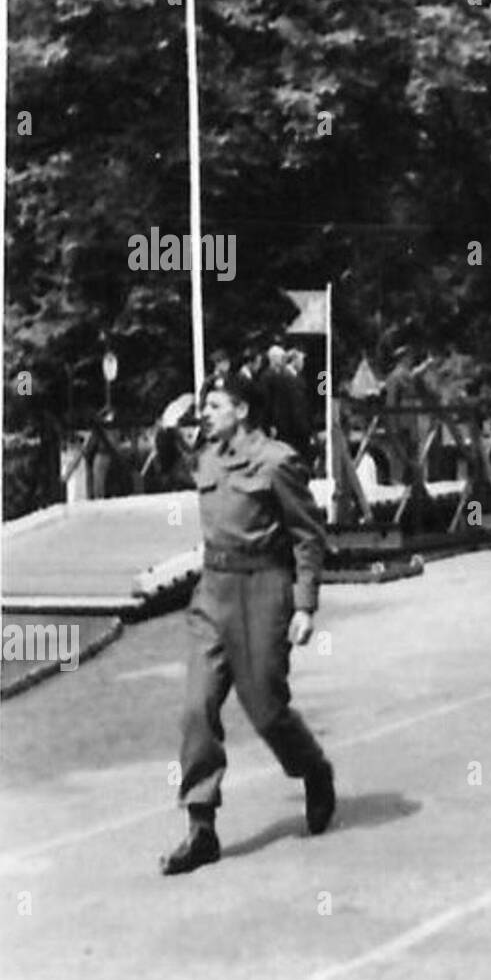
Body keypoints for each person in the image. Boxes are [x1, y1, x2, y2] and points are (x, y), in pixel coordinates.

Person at [160, 371, 336, 875]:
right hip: (212, 592)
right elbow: (169, 461)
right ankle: (201, 826)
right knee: (197, 706)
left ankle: (313, 770)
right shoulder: (206, 456)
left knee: (266, 710)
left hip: (263, 591)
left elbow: (307, 537)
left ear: (242, 410)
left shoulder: (277, 462)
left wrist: (304, 606)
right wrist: (166, 426)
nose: (206, 413)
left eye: (215, 405)